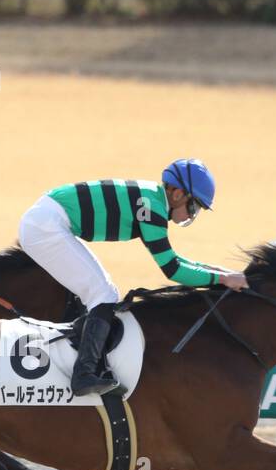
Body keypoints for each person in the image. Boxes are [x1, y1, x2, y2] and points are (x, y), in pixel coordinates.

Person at [18, 159, 249, 395]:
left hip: (48, 221)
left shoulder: (153, 200)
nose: (193, 214)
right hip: (47, 226)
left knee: (102, 292)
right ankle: (83, 374)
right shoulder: (152, 209)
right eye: (195, 206)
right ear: (178, 194)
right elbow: (173, 269)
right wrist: (222, 280)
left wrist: (222, 274)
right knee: (104, 293)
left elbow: (177, 261)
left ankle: (85, 362)